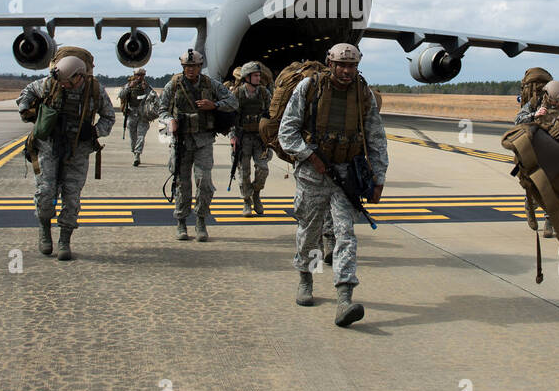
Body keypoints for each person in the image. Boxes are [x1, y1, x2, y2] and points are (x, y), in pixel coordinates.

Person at [279, 43, 388, 327]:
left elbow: (376, 138)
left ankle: (344, 297)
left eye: (351, 65)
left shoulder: (363, 94)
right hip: (313, 174)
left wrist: (378, 178)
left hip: (346, 175)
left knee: (345, 234)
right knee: (310, 231)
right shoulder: (309, 88)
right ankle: (306, 278)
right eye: (341, 65)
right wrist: (309, 155)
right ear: (330, 63)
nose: (346, 70)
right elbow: (286, 131)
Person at [17, 49, 116, 261]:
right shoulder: (48, 83)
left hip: (78, 149)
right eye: (61, 82)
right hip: (48, 145)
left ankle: (64, 239)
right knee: (46, 193)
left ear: (80, 76)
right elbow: (26, 93)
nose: (64, 86)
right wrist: (26, 109)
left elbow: (109, 117)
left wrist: (95, 131)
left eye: (69, 83)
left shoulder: (95, 90)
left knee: (71, 198)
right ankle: (44, 227)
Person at [159, 48, 238, 242]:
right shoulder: (174, 85)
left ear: (200, 66)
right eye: (187, 66)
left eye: (194, 66)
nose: (190, 70)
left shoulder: (211, 84)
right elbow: (161, 110)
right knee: (181, 183)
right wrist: (170, 121)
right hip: (181, 142)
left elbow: (233, 101)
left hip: (203, 141)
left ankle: (201, 220)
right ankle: (181, 221)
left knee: (204, 182)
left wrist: (215, 105)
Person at [516, 79, 559, 237]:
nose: (554, 102)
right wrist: (534, 115)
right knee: (537, 187)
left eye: (557, 99)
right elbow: (517, 120)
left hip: (556, 151)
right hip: (537, 150)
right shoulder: (535, 103)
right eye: (552, 98)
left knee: (554, 189)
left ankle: (550, 222)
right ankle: (530, 205)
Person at [230, 61, 272, 216]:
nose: (258, 78)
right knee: (244, 172)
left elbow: (270, 114)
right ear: (247, 77)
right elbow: (232, 116)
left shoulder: (264, 93)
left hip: (259, 138)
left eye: (259, 75)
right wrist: (233, 137)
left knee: (263, 169)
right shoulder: (238, 93)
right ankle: (247, 201)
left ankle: (256, 193)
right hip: (243, 138)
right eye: (255, 75)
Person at [118, 67, 158, 166]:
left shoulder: (147, 86)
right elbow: (121, 95)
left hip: (143, 115)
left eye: (142, 75)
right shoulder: (129, 85)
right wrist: (129, 87)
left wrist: (146, 90)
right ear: (134, 75)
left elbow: (155, 97)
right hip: (131, 114)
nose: (140, 77)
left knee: (141, 136)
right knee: (133, 137)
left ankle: (137, 155)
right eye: (138, 75)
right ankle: (134, 151)